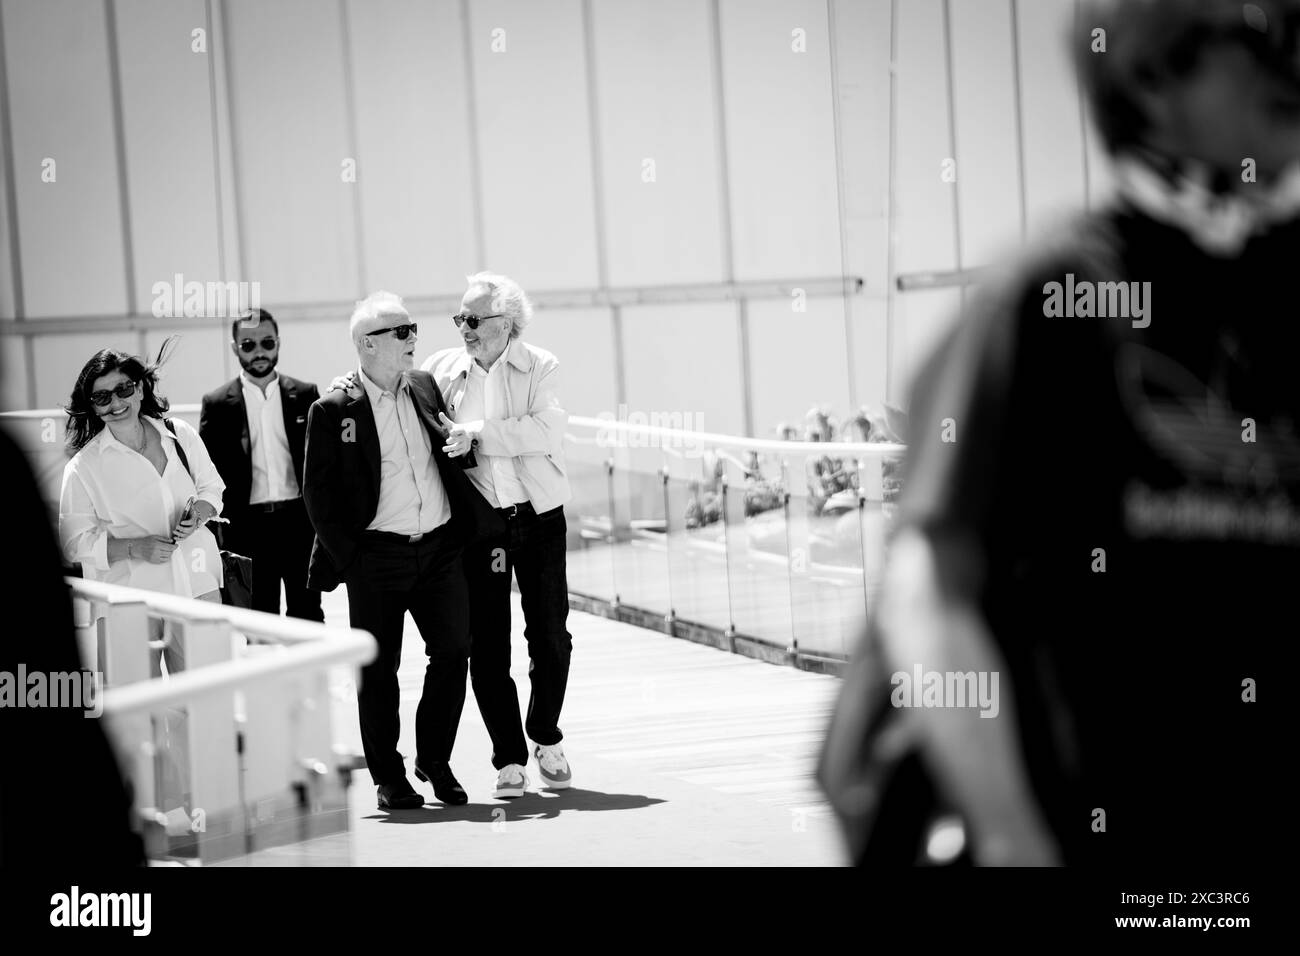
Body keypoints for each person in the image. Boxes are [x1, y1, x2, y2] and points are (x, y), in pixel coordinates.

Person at [819, 0, 1299, 867]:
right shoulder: (1055, 294)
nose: (1289, 66)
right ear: (1153, 80)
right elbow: (930, 583)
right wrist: (1011, 839)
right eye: (1262, 39)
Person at [303, 291, 504, 810]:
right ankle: (388, 776)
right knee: (379, 669)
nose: (415, 338)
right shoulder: (332, 410)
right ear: (368, 345)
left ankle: (433, 760)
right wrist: (352, 559)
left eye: (413, 328)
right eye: (402, 331)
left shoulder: (423, 385)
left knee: (454, 652)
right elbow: (318, 497)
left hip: (440, 550)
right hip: (377, 557)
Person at [422, 273, 575, 799]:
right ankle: (509, 757)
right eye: (459, 318)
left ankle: (544, 735)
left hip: (539, 517)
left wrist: (479, 434)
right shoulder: (441, 369)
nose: (463, 328)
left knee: (551, 638)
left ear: (506, 324)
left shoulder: (541, 365)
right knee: (489, 647)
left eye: (474, 319)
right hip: (481, 525)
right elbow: (403, 400)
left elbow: (545, 431)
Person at [59, 339, 226, 818]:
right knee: (145, 708)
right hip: (131, 601)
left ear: (141, 388)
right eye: (101, 397)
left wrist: (201, 511)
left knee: (203, 697)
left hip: (196, 588)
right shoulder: (84, 467)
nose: (115, 403)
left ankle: (206, 804)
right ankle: (160, 808)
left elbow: (214, 487)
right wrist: (132, 547)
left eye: (123, 389)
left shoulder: (179, 434)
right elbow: (73, 541)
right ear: (89, 405)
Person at [200, 308, 323, 620]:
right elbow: (205, 473)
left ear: (278, 343)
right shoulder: (216, 405)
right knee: (258, 622)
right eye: (248, 345)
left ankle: (308, 672)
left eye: (267, 342)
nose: (259, 352)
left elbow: (324, 463)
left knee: (307, 617)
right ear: (235, 348)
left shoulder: (306, 394)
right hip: (248, 530)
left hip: (300, 525)